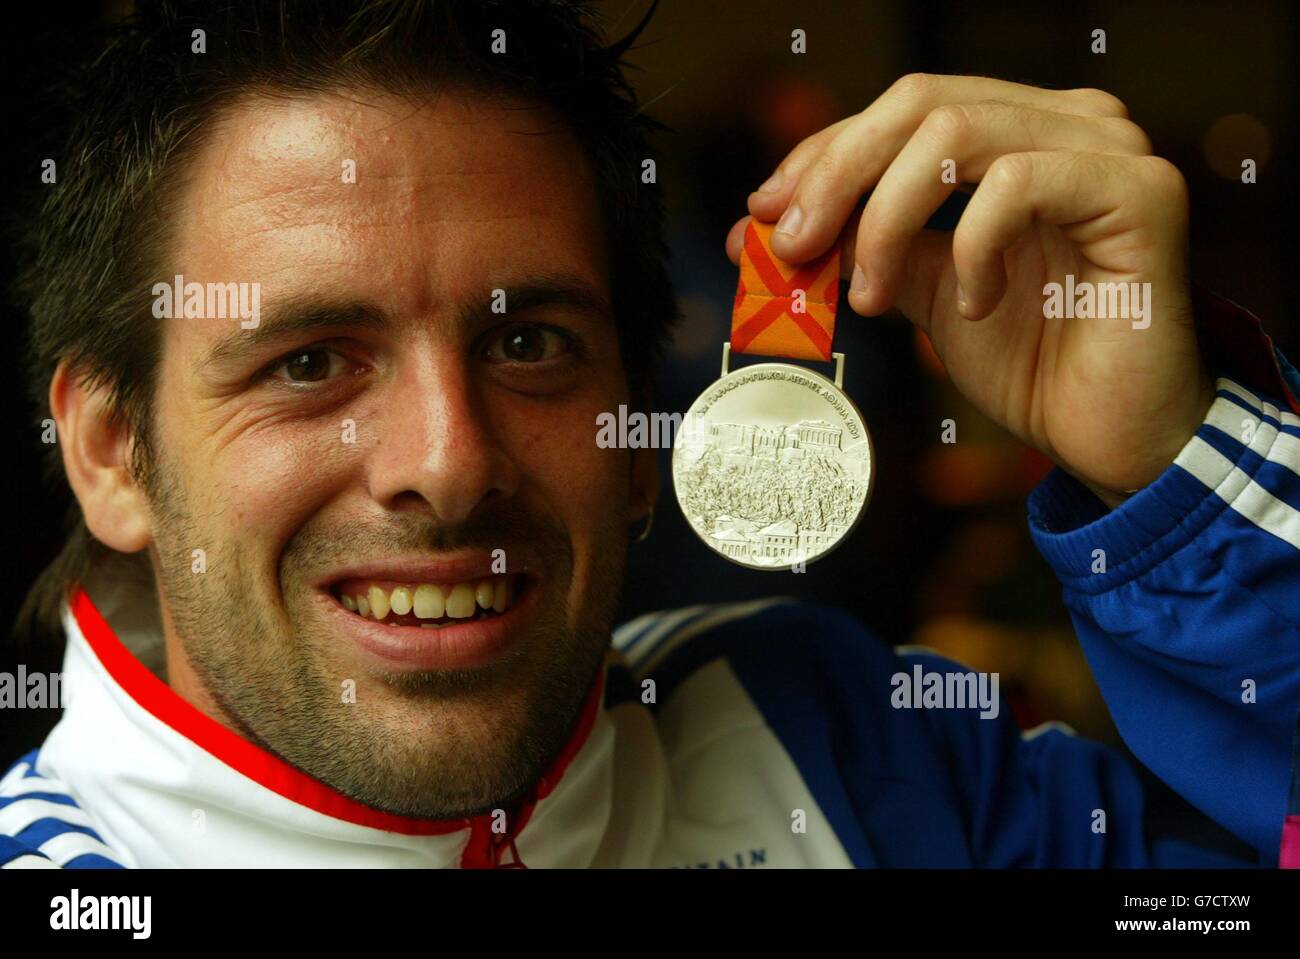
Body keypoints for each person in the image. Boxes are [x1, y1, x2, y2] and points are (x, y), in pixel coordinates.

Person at [2, 0, 1297, 869]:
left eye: (527, 345)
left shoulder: (862, 744)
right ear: (112, 453)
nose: (448, 463)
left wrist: (1176, 461)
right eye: (307, 362)